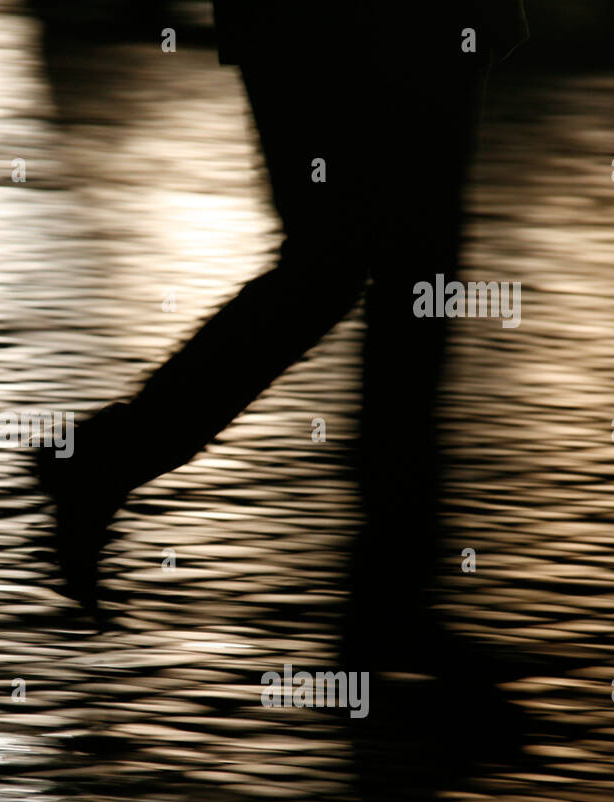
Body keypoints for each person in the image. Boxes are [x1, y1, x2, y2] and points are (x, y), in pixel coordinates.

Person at [35, 0, 528, 671]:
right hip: (400, 25)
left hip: (308, 24)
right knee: (400, 283)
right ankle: (388, 603)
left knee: (340, 267)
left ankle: (110, 460)